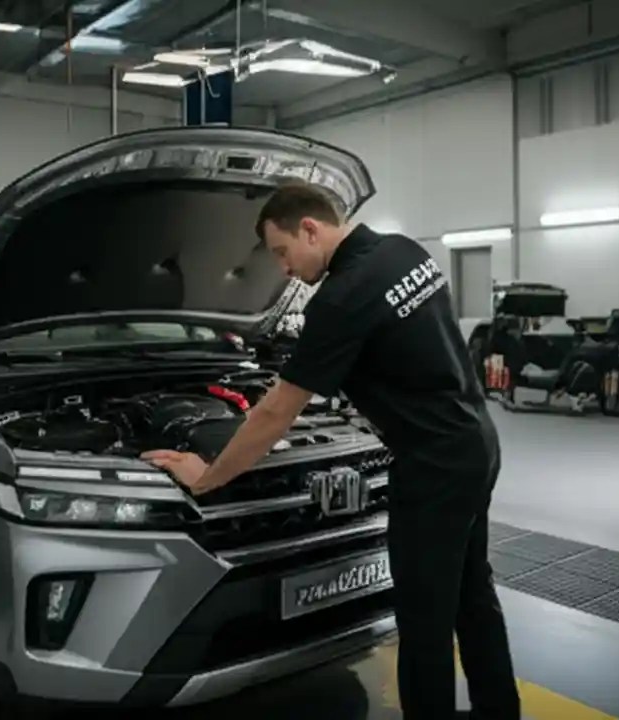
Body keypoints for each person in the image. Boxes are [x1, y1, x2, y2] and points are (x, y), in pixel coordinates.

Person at [141, 182, 521, 719]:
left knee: (424, 620)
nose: (283, 269)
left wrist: (208, 476)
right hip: (477, 442)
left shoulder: (341, 298)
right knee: (471, 595)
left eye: (281, 252)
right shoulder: (405, 251)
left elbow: (275, 413)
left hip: (432, 466)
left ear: (311, 229)